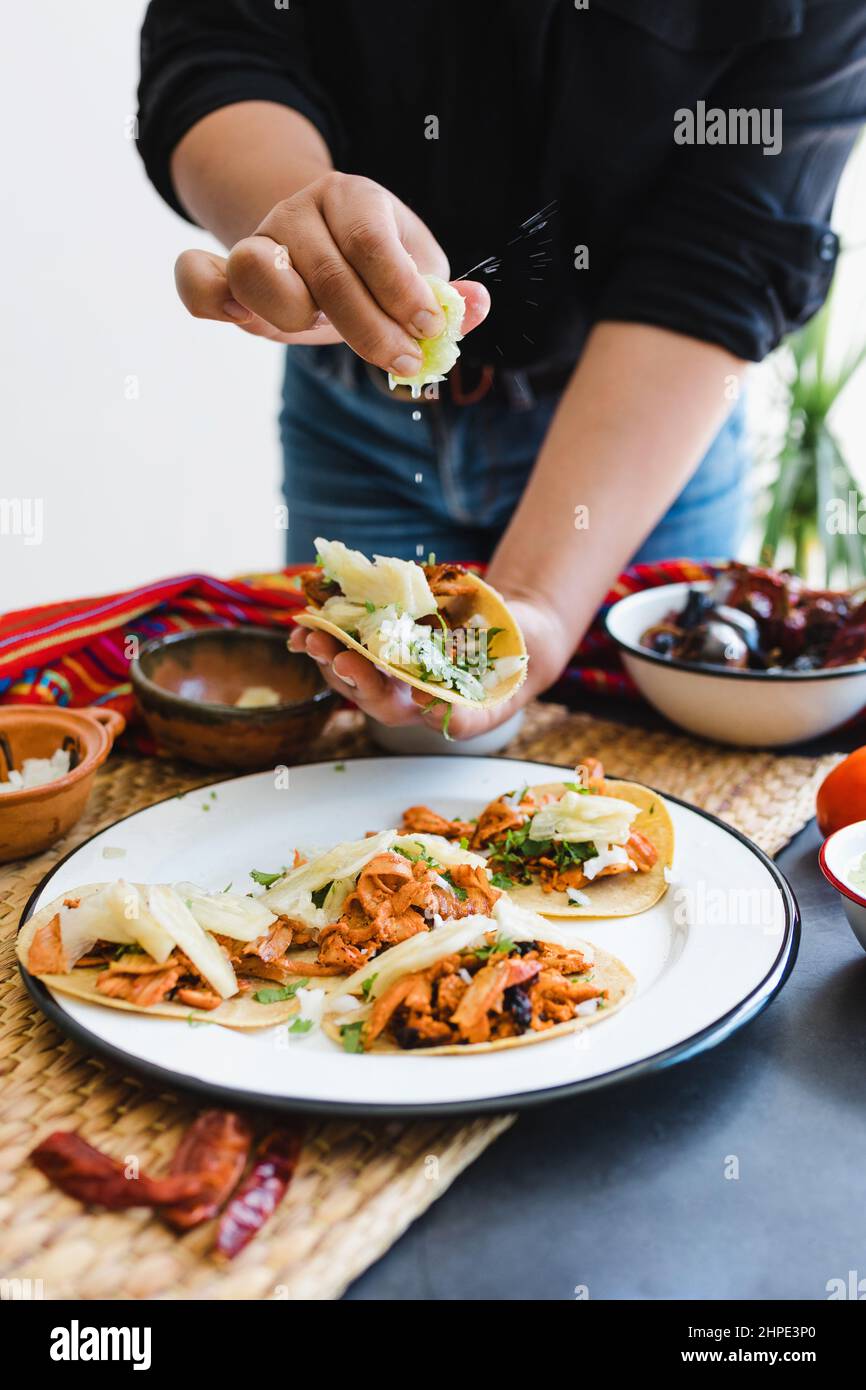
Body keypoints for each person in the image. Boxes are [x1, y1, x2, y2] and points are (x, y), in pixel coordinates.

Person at [137, 0, 866, 739]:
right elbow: (219, 42)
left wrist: (541, 603)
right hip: (354, 421)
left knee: (658, 770)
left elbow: (729, 254)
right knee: (358, 754)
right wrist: (306, 226)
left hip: (641, 434)